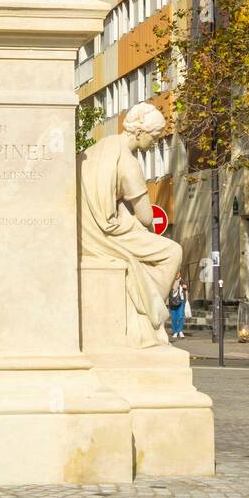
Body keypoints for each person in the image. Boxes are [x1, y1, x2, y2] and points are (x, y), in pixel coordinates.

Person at [79, 101, 182, 347]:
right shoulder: (128, 162)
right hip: (108, 232)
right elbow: (146, 217)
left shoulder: (99, 148)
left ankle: (146, 300)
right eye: (154, 136)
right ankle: (149, 310)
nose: (155, 142)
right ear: (139, 133)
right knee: (172, 251)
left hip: (85, 228)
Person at [169, 272, 189, 339]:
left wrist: (186, 301)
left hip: (181, 300)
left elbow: (186, 290)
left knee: (180, 316)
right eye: (176, 273)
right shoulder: (170, 281)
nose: (177, 275)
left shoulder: (182, 281)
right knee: (174, 317)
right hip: (172, 301)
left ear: (180, 274)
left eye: (178, 273)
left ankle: (180, 331)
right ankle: (175, 332)